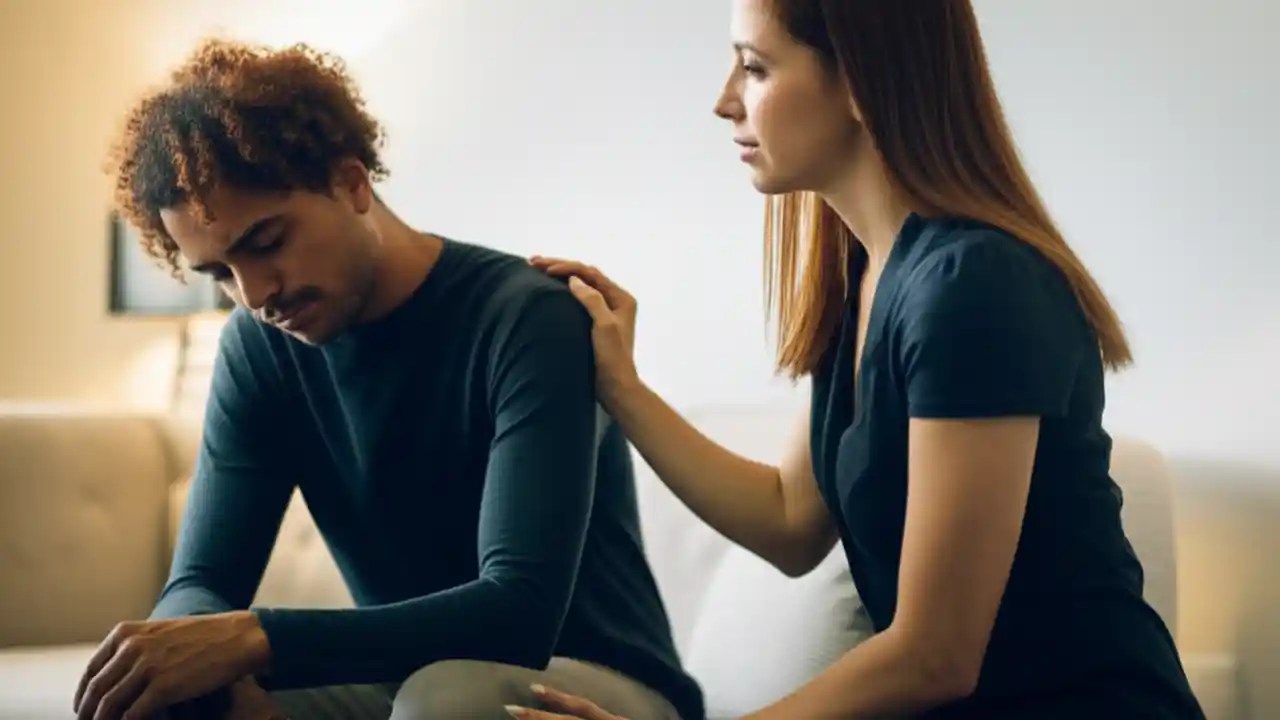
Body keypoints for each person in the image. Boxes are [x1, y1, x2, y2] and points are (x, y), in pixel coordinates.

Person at [516, 0, 1207, 718]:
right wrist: (621, 387)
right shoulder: (863, 278)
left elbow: (934, 656)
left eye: (754, 67)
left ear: (859, 80)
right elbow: (789, 521)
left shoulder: (975, 287)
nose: (723, 102)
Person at [74, 39, 702, 720]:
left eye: (266, 243)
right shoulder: (259, 350)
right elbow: (203, 581)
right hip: (403, 685)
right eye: (219, 274)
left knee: (446, 700)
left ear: (351, 183)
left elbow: (518, 613)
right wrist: (176, 652)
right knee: (171, 698)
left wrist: (255, 636)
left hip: (594, 685)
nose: (255, 294)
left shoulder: (529, 317)